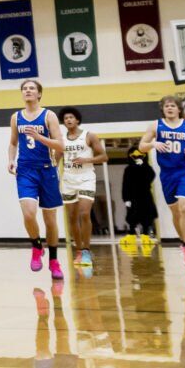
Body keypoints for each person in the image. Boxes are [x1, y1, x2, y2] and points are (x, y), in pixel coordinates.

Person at [9, 79, 68, 279]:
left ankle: (53, 259)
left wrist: (39, 136)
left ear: (39, 94)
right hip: (25, 170)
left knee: (50, 220)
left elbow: (61, 146)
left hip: (47, 170)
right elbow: (13, 143)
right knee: (28, 213)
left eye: (31, 88)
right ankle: (36, 246)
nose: (28, 91)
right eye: (25, 89)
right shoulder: (16, 117)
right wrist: (11, 159)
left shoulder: (48, 115)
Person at [138, 95, 185, 269]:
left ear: (179, 108)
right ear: (163, 109)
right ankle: (184, 241)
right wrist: (153, 144)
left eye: (173, 105)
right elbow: (141, 146)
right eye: (166, 106)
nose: (169, 108)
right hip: (167, 174)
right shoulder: (155, 126)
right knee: (176, 213)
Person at [58, 108, 104, 272]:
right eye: (65, 118)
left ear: (77, 120)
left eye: (71, 117)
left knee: (84, 213)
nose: (68, 120)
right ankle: (78, 250)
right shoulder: (61, 139)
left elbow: (103, 157)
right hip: (69, 179)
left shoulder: (89, 136)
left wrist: (86, 159)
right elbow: (56, 159)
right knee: (71, 218)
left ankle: (86, 250)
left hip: (86, 177)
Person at [120, 148, 158, 251]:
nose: (137, 158)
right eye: (134, 156)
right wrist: (126, 198)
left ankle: (146, 236)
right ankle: (131, 235)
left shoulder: (147, 168)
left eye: (140, 156)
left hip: (145, 196)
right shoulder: (128, 169)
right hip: (132, 198)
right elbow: (125, 185)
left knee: (147, 217)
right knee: (132, 217)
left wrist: (143, 166)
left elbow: (151, 176)